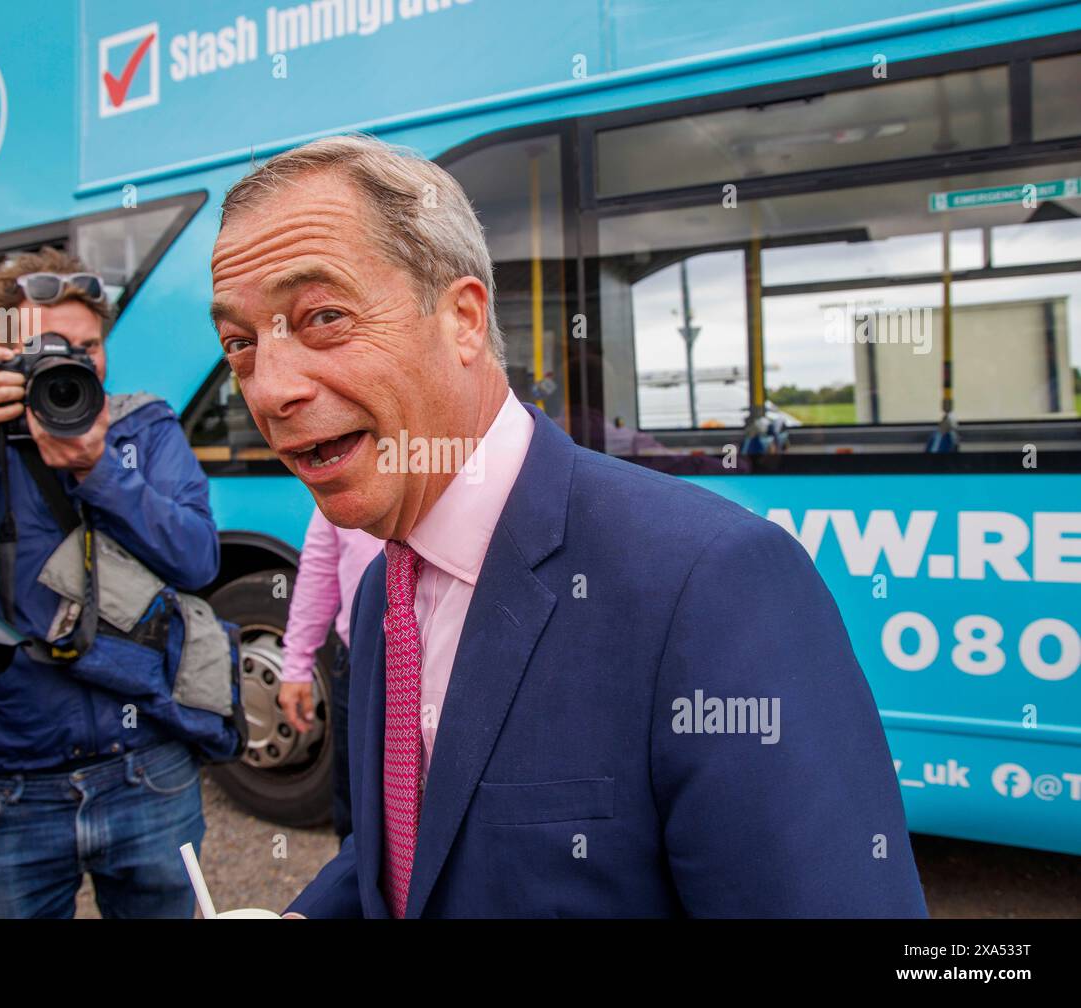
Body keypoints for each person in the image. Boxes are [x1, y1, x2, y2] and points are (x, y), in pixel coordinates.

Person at [208, 134, 928, 918]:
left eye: (322, 317)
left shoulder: (711, 583)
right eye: (241, 344)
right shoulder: (386, 585)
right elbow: (409, 851)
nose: (269, 389)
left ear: (463, 320)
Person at [0, 246, 232, 918]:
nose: (74, 365)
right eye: (50, 348)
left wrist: (98, 469)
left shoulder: (141, 425)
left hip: (146, 766)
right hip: (6, 785)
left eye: (88, 347)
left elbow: (197, 558)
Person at [278, 506, 383, 839]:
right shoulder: (347, 469)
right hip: (358, 671)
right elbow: (321, 564)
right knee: (356, 813)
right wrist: (296, 664)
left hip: (442, 672)